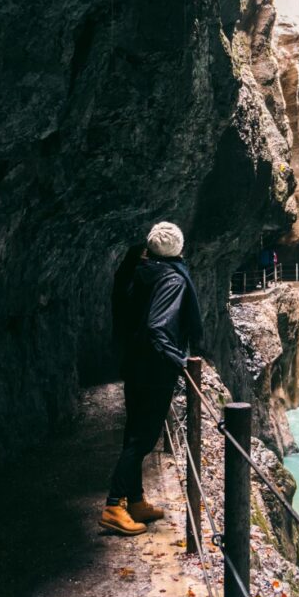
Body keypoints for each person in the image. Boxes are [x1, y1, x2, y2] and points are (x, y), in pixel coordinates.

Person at [100, 222, 203, 536]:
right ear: (179, 249)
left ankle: (135, 499)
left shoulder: (140, 269)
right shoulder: (172, 278)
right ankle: (114, 505)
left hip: (133, 363)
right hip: (153, 369)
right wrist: (180, 361)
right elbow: (158, 327)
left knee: (134, 432)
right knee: (143, 439)